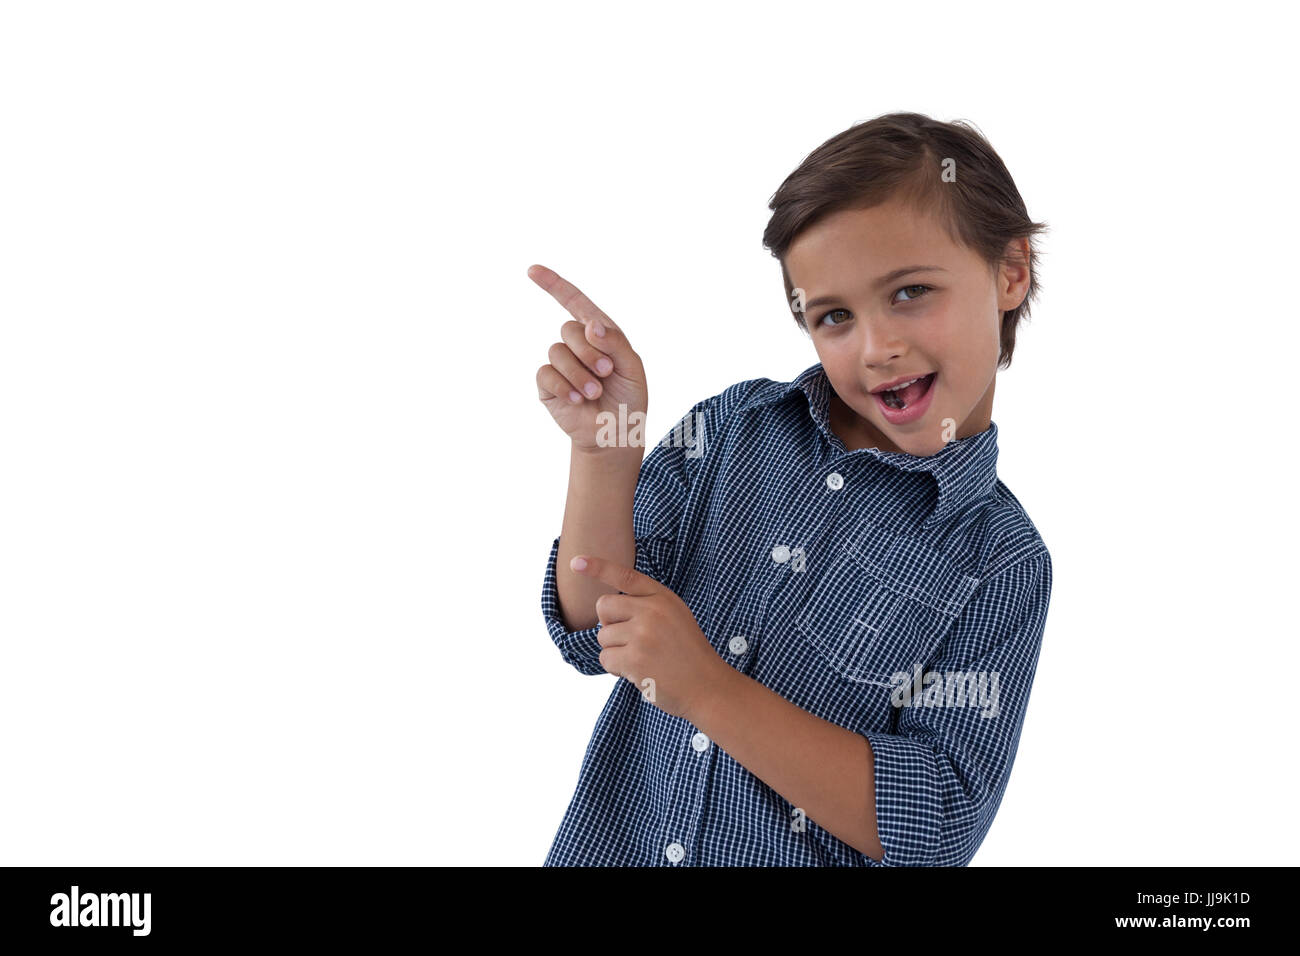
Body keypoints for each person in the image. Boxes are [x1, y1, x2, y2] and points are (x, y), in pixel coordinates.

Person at [531, 112, 1053, 866]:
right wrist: (603, 453)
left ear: (1010, 271)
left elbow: (935, 822)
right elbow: (591, 630)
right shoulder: (737, 426)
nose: (877, 347)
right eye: (834, 316)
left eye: (909, 292)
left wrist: (708, 689)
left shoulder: (1000, 563)